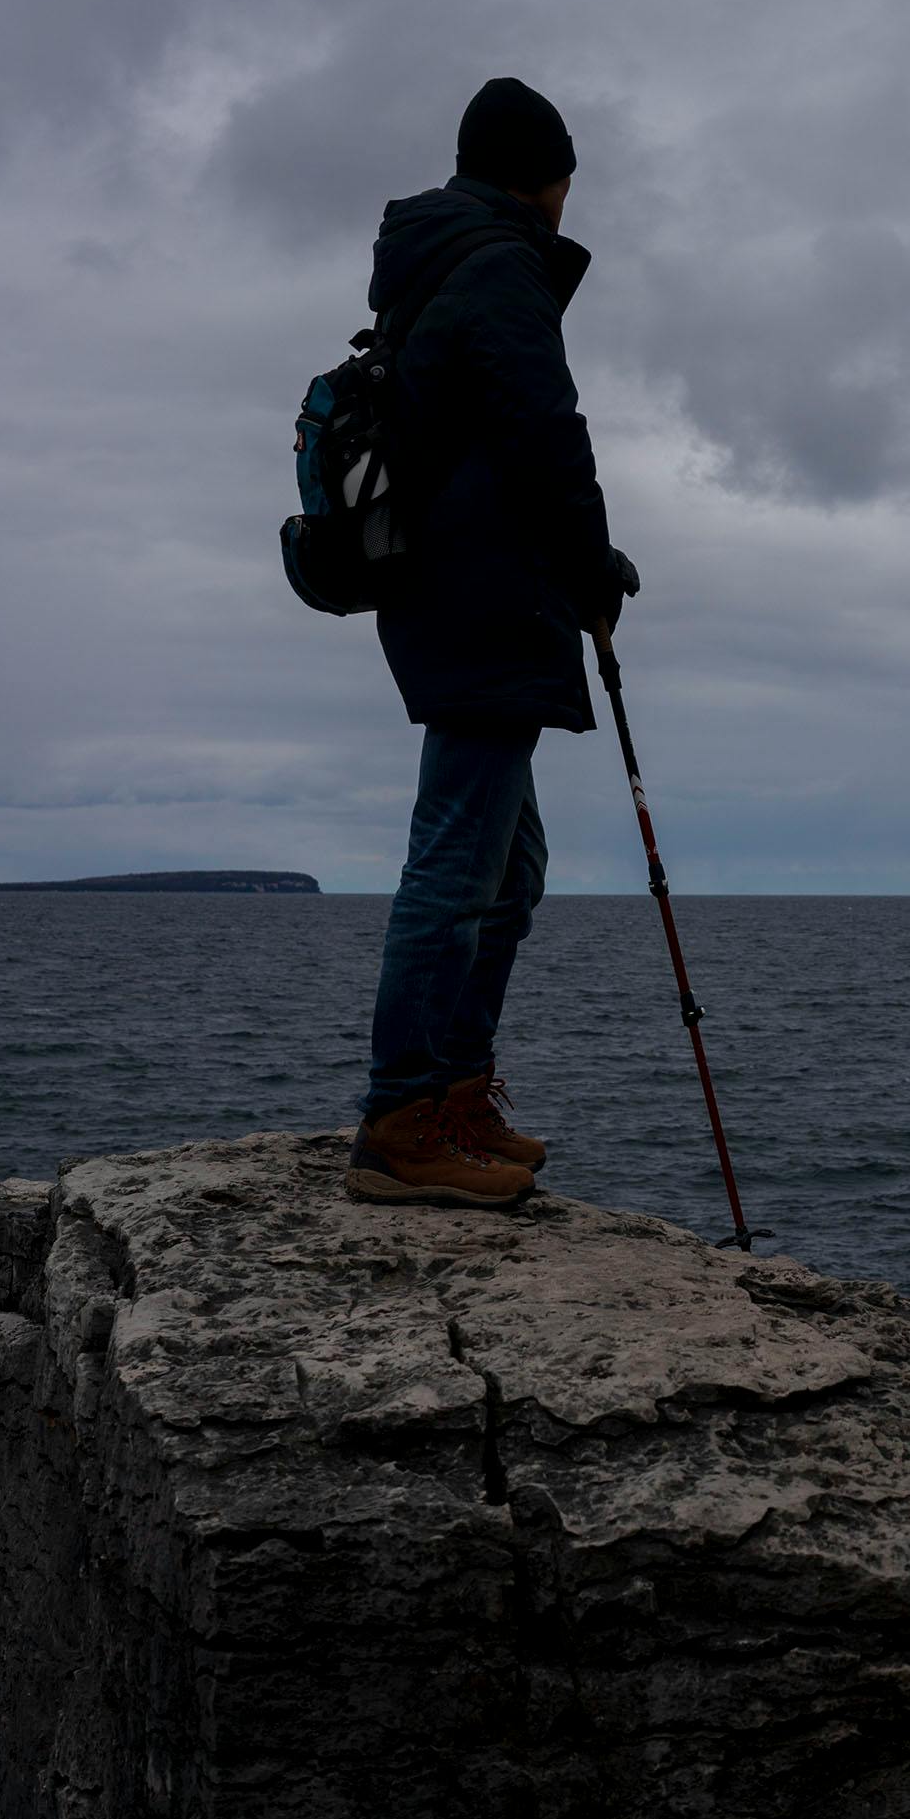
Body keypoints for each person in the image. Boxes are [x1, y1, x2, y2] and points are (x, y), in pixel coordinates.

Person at [345, 76, 637, 1211]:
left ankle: (453, 1095)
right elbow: (544, 434)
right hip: (479, 595)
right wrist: (591, 572)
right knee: (459, 862)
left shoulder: (437, 262)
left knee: (507, 869)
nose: (569, 201)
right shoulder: (500, 263)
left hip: (453, 589)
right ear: (543, 177)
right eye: (566, 178)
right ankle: (403, 1117)